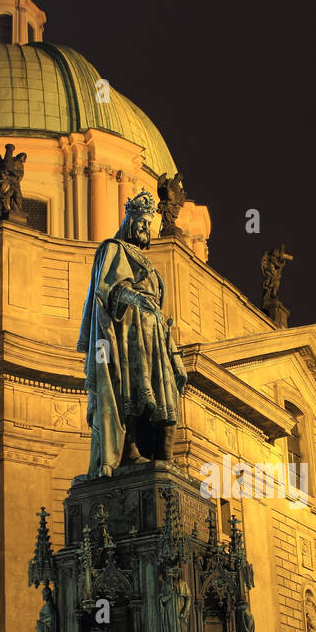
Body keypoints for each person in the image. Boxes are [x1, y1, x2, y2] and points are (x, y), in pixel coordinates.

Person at [78, 190, 187, 476]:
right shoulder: (112, 248)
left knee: (165, 394)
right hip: (127, 334)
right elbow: (105, 289)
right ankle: (130, 451)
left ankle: (162, 458)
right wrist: (135, 299)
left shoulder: (148, 262)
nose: (145, 229)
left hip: (155, 336)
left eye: (148, 224)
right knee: (130, 389)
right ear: (129, 220)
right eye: (140, 222)